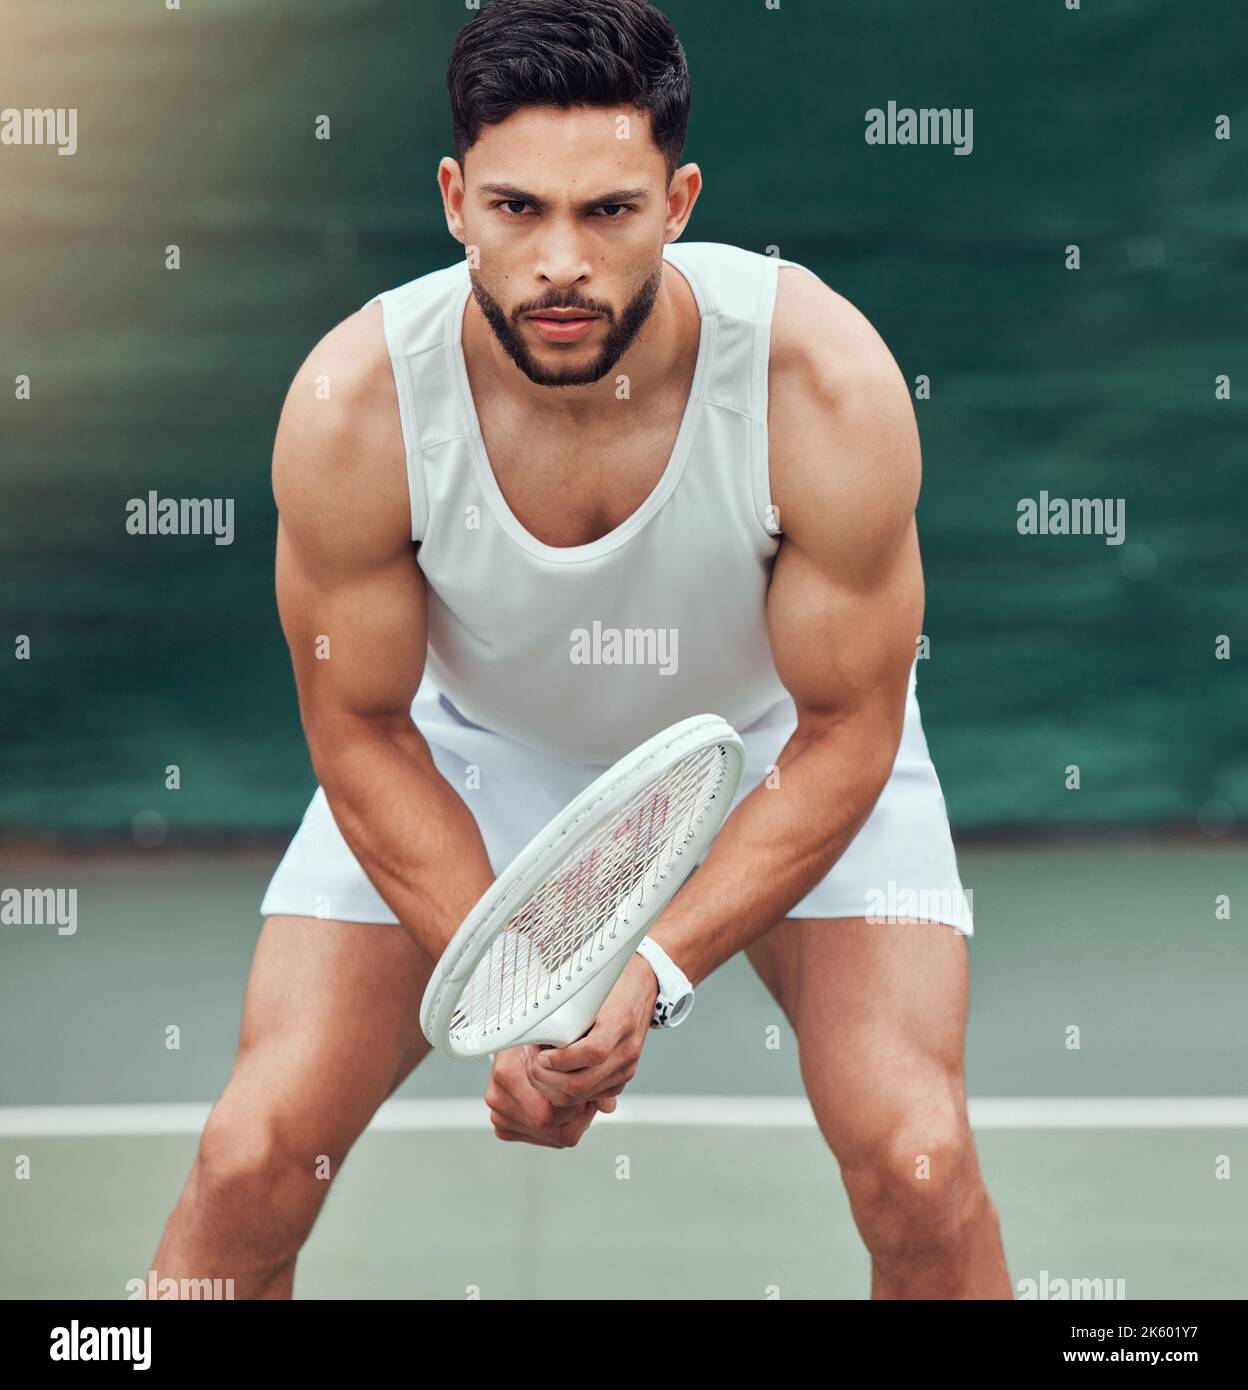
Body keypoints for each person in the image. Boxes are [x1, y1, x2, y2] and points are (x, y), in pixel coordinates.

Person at [153, 0, 1009, 1299]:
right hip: (468, 757)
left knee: (923, 1164)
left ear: (679, 200)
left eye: (607, 211)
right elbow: (361, 732)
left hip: (772, 752)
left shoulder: (821, 380)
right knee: (247, 1159)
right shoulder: (355, 408)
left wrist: (650, 968)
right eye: (516, 209)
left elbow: (851, 733)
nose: (561, 259)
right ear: (453, 199)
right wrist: (519, 985)